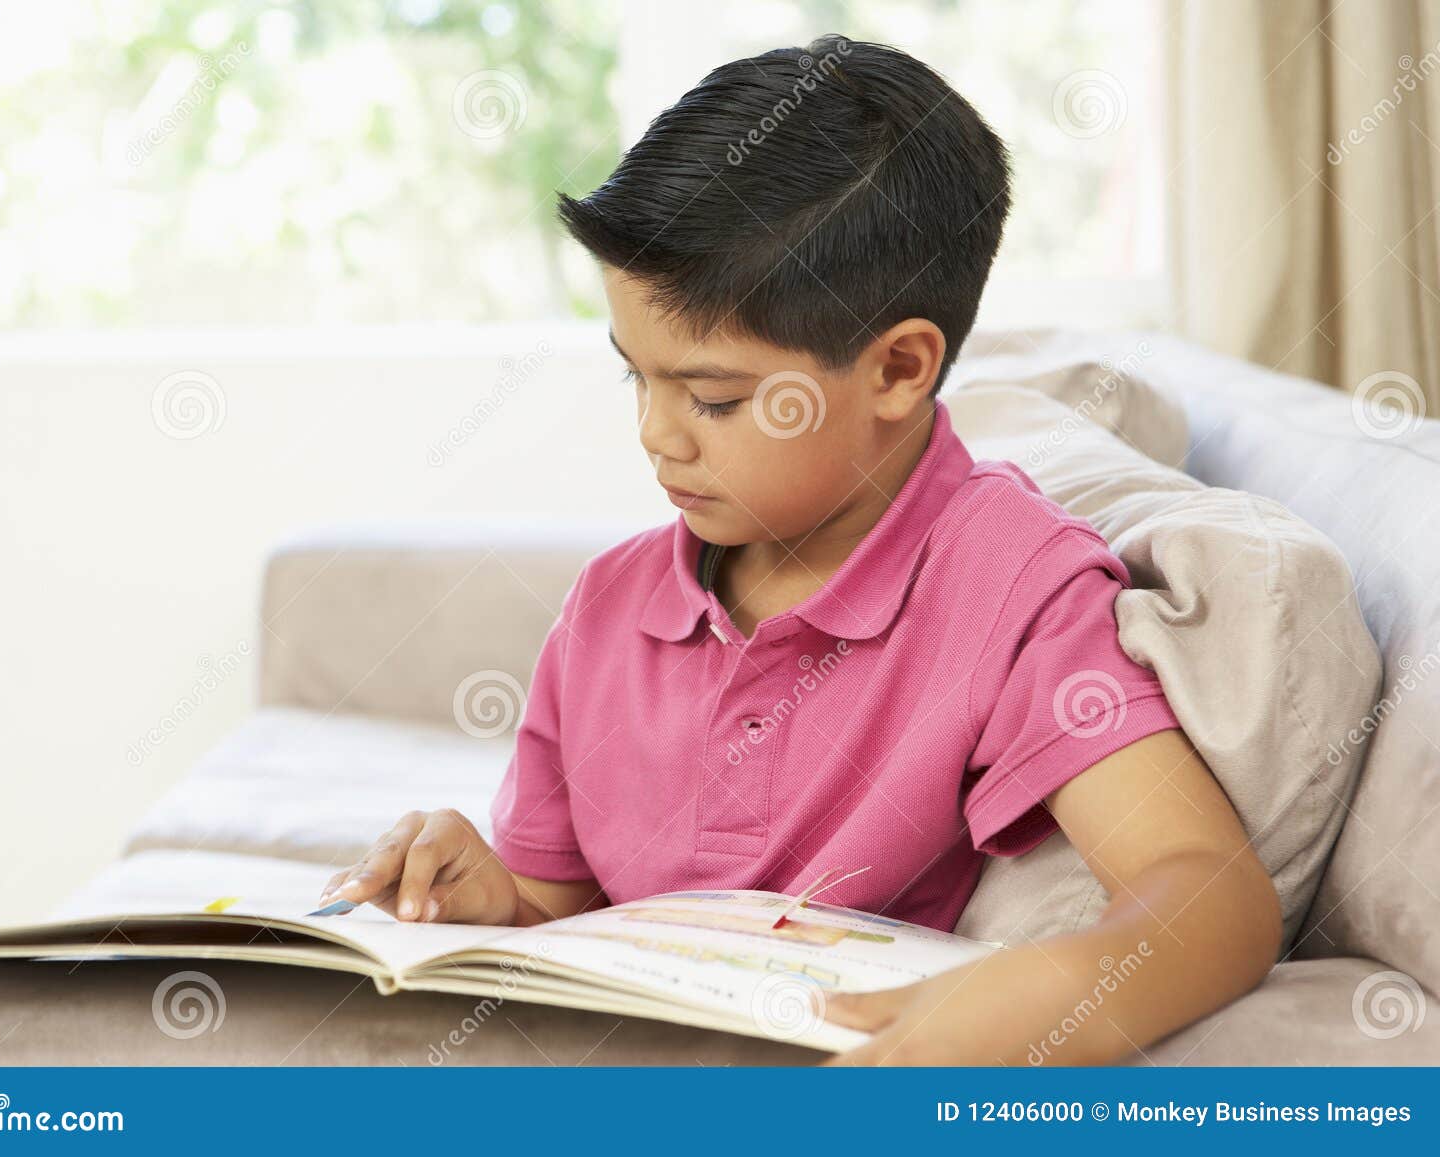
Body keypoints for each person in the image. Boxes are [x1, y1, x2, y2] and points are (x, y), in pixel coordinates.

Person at [320, 35, 1280, 1065]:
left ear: (899, 369)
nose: (656, 433)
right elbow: (564, 912)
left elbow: (1207, 891)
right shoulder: (609, 608)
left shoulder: (1008, 585)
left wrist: (1049, 987)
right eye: (633, 378)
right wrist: (488, 893)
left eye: (713, 396)